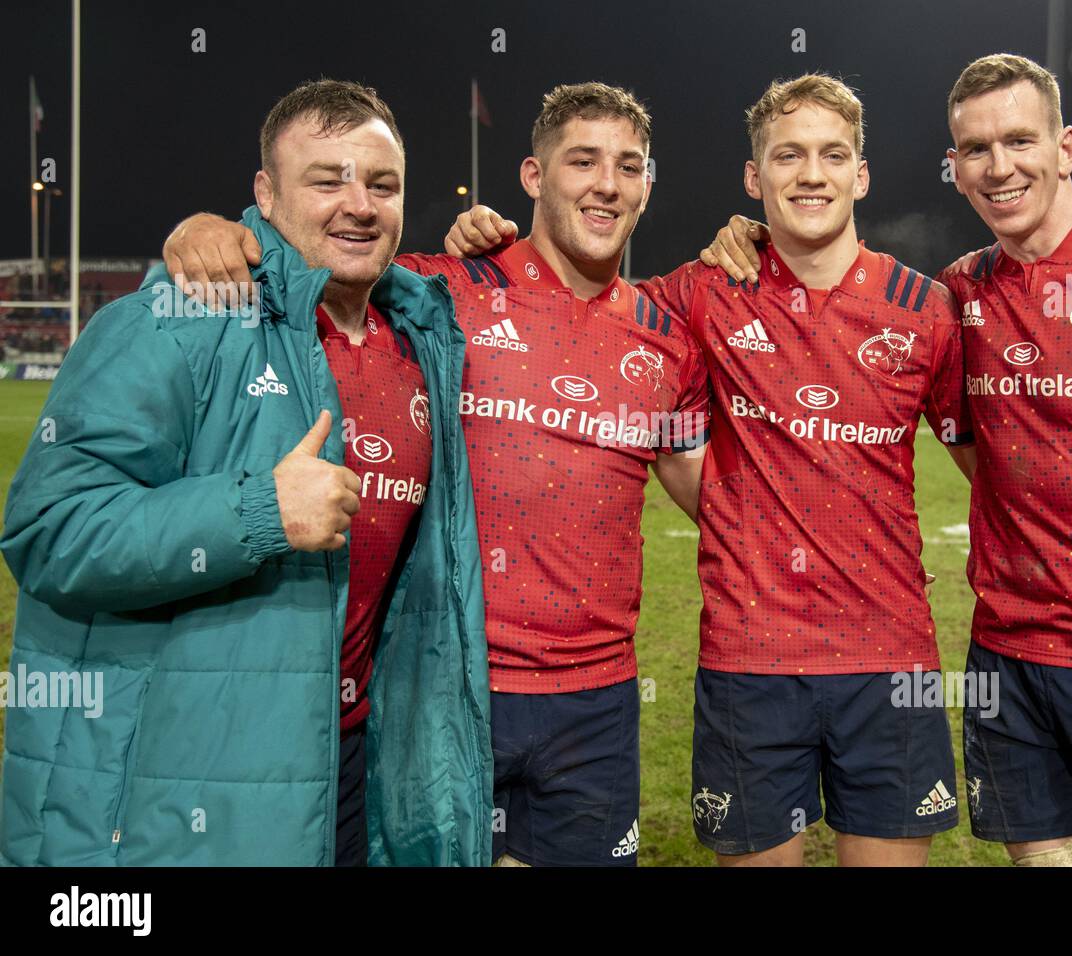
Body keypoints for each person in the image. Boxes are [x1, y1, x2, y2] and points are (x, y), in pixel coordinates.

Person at [702, 54, 1072, 867]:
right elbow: (989, 460)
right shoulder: (960, 296)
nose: (999, 166)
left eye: (1019, 140)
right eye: (974, 149)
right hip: (1010, 672)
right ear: (955, 166)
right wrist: (756, 236)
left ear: (1067, 145)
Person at [159, 82, 711, 867]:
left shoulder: (667, 337)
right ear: (532, 175)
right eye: (582, 161)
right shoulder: (439, 291)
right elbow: (317, 259)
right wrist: (207, 229)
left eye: (629, 166)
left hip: (599, 697)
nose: (607, 184)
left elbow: (704, 481)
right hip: (445, 678)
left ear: (649, 182)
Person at [448, 73, 976, 867]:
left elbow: (995, 468)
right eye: (787, 156)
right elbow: (590, 313)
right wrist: (484, 246)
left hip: (889, 658)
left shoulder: (925, 309)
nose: (811, 174)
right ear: (752, 178)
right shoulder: (696, 298)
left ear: (861, 175)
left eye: (833, 155)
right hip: (748, 660)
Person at [0, 79, 491, 867]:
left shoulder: (420, 342)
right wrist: (258, 511)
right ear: (265, 193)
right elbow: (48, 531)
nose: (358, 204)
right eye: (326, 179)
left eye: (382, 183)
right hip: (195, 789)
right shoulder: (180, 317)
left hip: (356, 768)